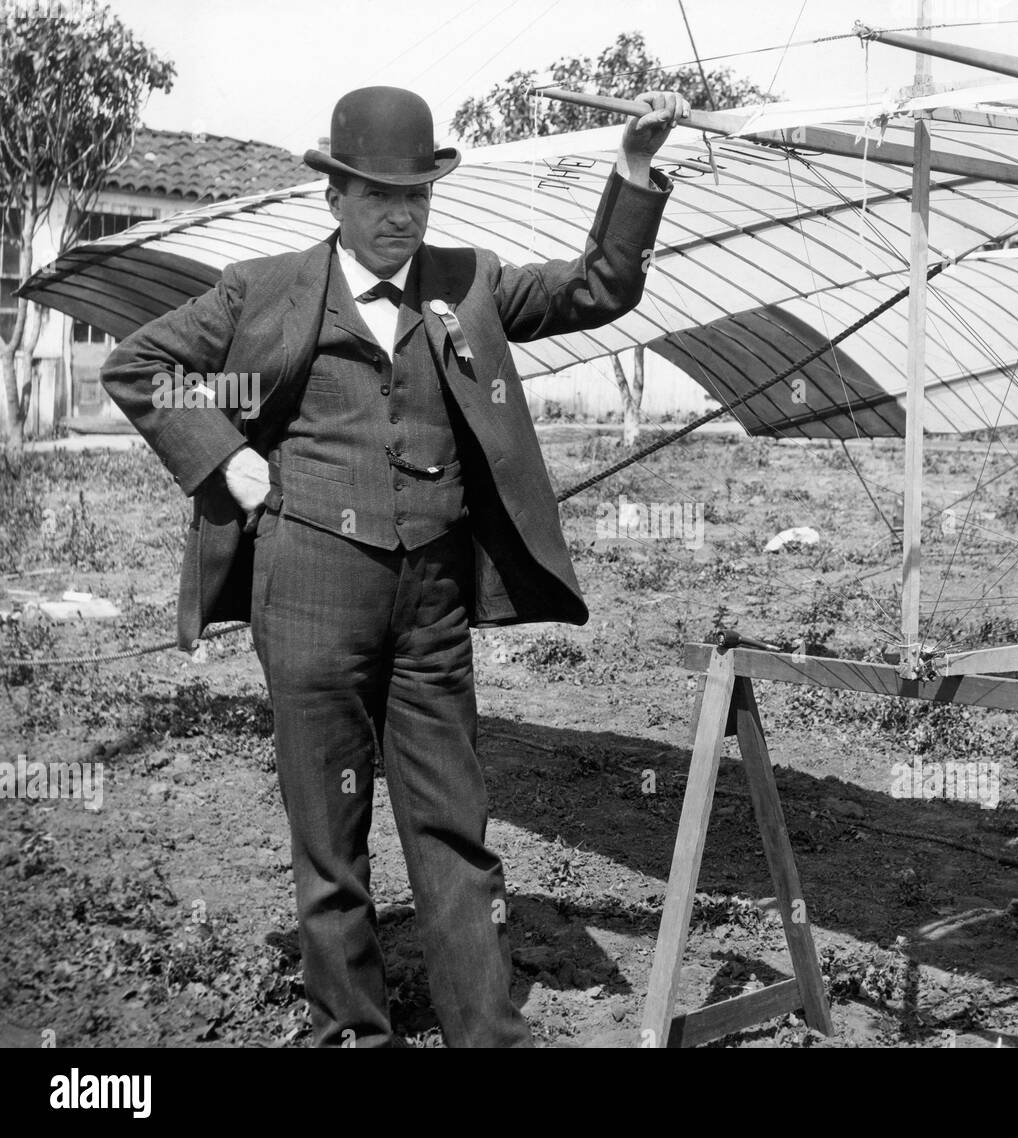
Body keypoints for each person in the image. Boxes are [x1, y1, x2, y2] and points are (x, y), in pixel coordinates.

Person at [101, 84, 689, 1047]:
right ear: (333, 195)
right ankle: (354, 1031)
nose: (399, 214)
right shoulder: (264, 290)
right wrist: (226, 456)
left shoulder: (469, 282)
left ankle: (485, 1033)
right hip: (311, 591)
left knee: (452, 825)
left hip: (431, 602)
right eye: (377, 194)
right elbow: (136, 364)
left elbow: (600, 288)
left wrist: (629, 172)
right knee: (330, 840)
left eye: (416, 193)